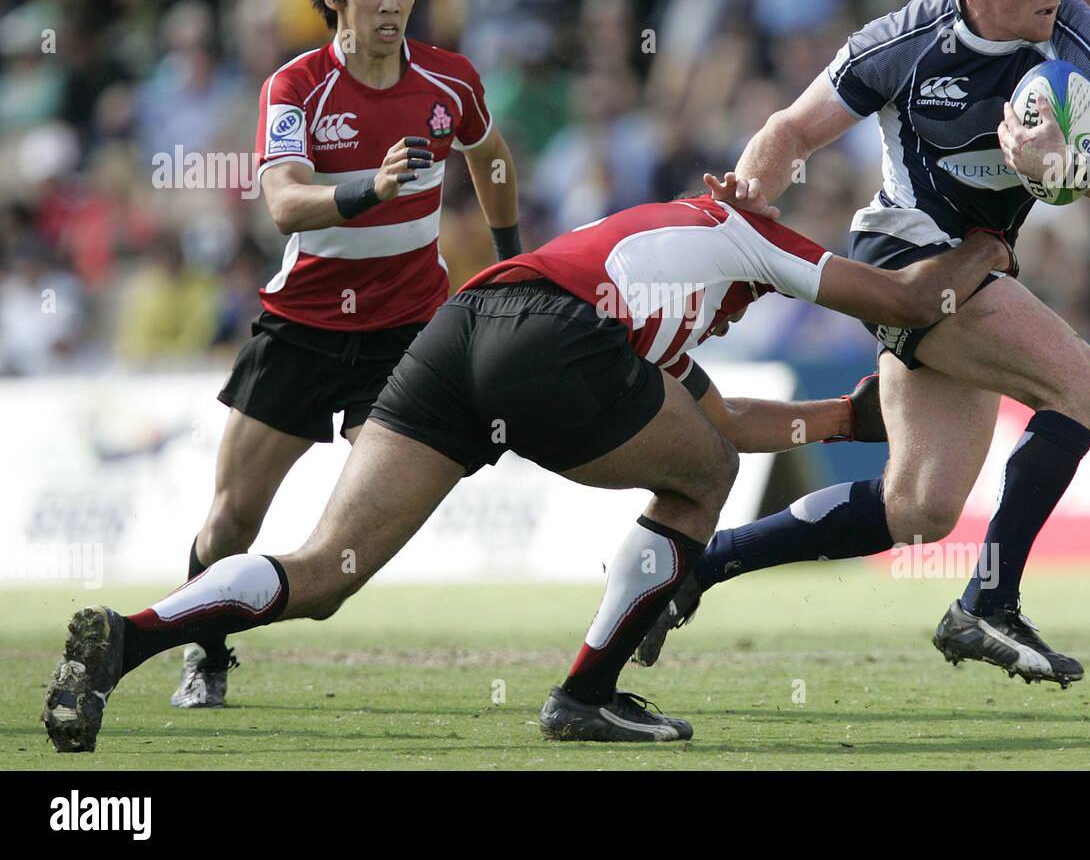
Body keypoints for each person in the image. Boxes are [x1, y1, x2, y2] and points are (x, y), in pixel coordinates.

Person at [41, 185, 1015, 751]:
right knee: (702, 478)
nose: (738, 315)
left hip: (463, 329)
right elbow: (897, 293)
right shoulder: (743, 231)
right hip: (552, 336)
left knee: (326, 568)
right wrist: (983, 244)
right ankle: (586, 694)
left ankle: (127, 640)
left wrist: (849, 417)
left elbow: (724, 415)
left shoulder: (655, 299)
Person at [653, 0, 1090, 686]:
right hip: (902, 263)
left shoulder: (1089, 42)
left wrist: (1072, 165)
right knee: (1085, 389)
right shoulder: (906, 39)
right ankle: (990, 603)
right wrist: (747, 202)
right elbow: (791, 129)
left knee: (918, 509)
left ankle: (700, 564)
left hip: (975, 270)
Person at [169, 0, 522, 709]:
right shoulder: (295, 86)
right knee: (230, 522)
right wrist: (372, 188)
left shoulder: (450, 80)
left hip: (405, 335)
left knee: (350, 549)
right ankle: (204, 650)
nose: (393, 2)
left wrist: (511, 263)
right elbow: (286, 205)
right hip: (300, 330)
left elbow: (492, 161)